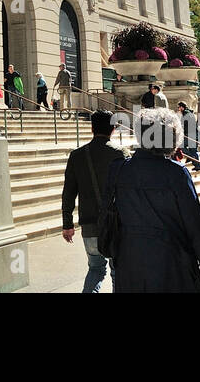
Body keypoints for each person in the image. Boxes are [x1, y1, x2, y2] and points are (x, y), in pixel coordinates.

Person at [105, 108, 200, 292]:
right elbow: (195, 228)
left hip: (129, 264)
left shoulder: (118, 170)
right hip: (172, 266)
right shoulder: (175, 173)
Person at [62, 111, 128, 292]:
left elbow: (68, 193)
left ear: (91, 128)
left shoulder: (76, 155)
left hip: (90, 223)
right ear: (113, 129)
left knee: (96, 269)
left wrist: (67, 224)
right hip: (116, 224)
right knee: (118, 271)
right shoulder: (121, 154)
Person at [176, 102, 200, 172]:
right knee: (193, 151)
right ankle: (197, 166)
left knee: (181, 146)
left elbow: (183, 125)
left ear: (182, 107)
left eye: (178, 107)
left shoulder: (185, 114)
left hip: (190, 134)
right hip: (194, 134)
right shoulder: (190, 113)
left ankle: (191, 157)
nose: (178, 109)